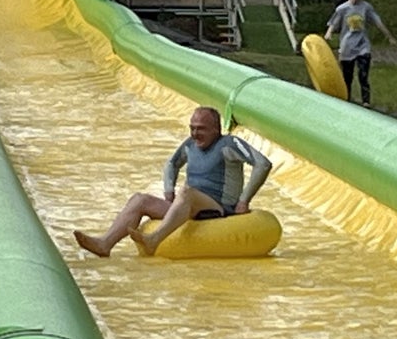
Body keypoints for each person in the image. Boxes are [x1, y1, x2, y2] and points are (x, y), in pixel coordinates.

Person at [73, 106, 273, 257]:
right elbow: (171, 164)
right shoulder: (190, 144)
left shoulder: (228, 144)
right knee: (140, 199)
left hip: (219, 207)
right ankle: (105, 244)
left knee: (186, 192)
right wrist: (168, 190)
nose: (195, 134)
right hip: (188, 204)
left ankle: (155, 239)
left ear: (216, 129)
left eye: (201, 129)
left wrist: (244, 200)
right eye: (192, 128)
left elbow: (263, 164)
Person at [322, 0, 396, 105]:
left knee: (363, 74)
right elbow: (333, 23)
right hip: (347, 46)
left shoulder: (366, 7)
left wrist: (389, 36)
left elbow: (378, 22)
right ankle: (346, 99)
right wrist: (328, 33)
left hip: (363, 45)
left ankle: (366, 101)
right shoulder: (342, 9)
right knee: (347, 77)